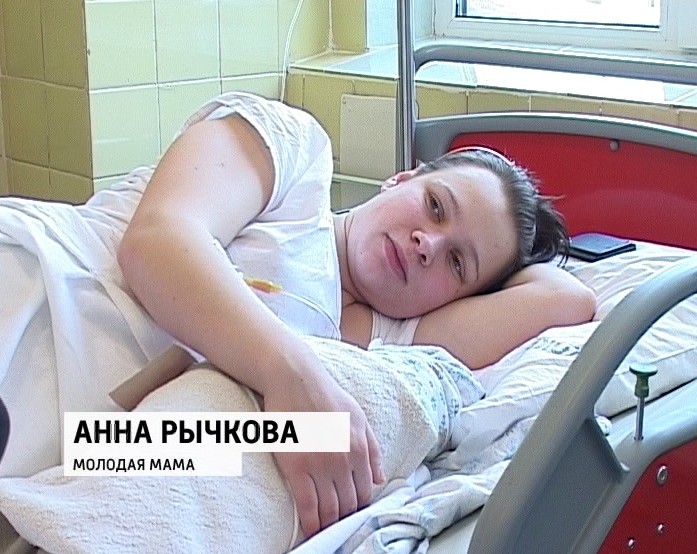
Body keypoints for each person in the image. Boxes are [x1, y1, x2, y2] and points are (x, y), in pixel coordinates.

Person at [0, 91, 595, 539]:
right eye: (435, 206)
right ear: (401, 178)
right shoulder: (295, 156)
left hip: (35, 451)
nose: (427, 244)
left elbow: (569, 301)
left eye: (457, 263)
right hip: (25, 290)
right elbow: (158, 243)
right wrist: (290, 374)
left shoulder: (370, 345)